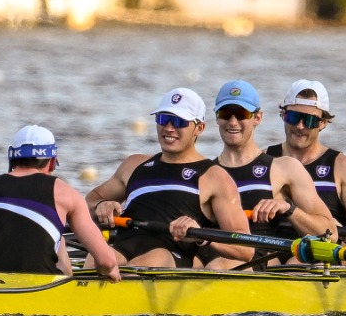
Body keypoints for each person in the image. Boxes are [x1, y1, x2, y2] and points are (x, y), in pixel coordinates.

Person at [87, 87, 255, 267]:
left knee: (153, 259)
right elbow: (87, 203)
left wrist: (202, 236)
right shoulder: (133, 165)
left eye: (178, 121)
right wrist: (100, 205)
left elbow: (245, 249)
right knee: (96, 258)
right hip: (123, 245)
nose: (168, 128)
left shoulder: (214, 176)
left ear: (199, 128)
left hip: (170, 255)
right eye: (163, 119)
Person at [0, 125, 123, 279]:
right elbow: (107, 261)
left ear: (12, 159)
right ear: (52, 163)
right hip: (43, 295)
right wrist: (108, 271)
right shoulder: (66, 193)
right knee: (59, 240)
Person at [209, 79, 338, 263]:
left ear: (258, 118)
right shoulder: (204, 172)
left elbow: (330, 234)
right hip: (211, 254)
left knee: (219, 265)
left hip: (257, 260)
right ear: (216, 117)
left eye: (241, 114)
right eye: (225, 113)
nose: (233, 121)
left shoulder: (284, 168)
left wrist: (289, 208)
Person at [262, 79, 346, 237]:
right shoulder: (263, 159)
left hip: (321, 254)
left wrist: (333, 230)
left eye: (309, 120)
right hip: (270, 254)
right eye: (294, 117)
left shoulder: (343, 167)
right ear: (283, 115)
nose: (300, 126)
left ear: (323, 123)